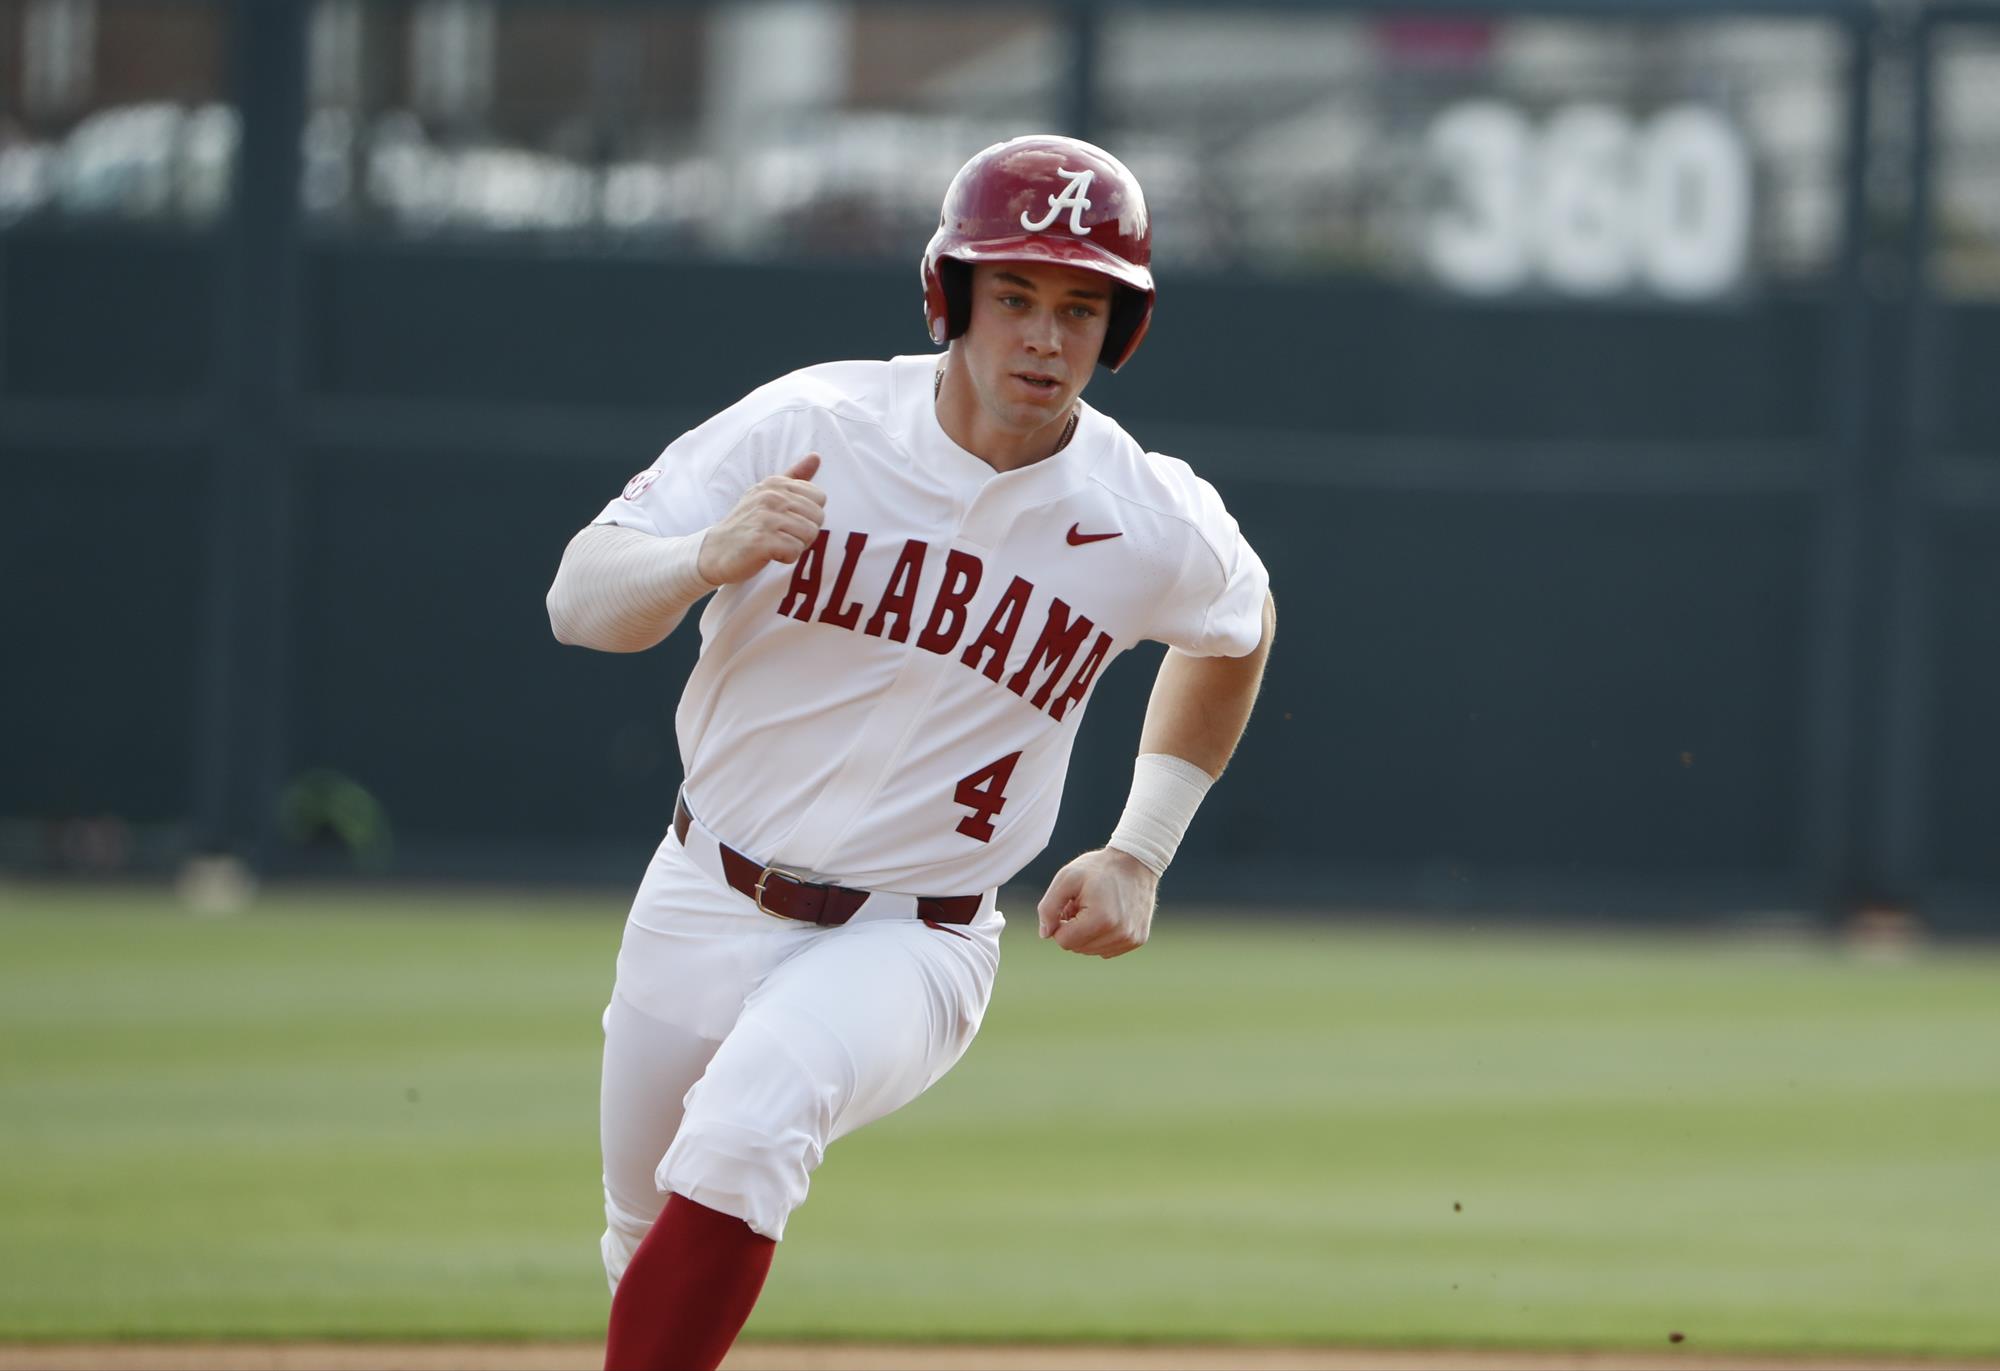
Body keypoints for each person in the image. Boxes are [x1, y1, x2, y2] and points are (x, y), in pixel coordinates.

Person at [545, 134, 1275, 1371]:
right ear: (951, 298)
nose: (1044, 338)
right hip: (698, 889)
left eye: (1079, 306)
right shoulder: (814, 421)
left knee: (748, 1125)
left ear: (1119, 330)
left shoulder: (1148, 517)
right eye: (1016, 297)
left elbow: (1237, 626)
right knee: (645, 1230)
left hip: (913, 935)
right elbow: (578, 599)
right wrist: (699, 560)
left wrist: (1142, 849)